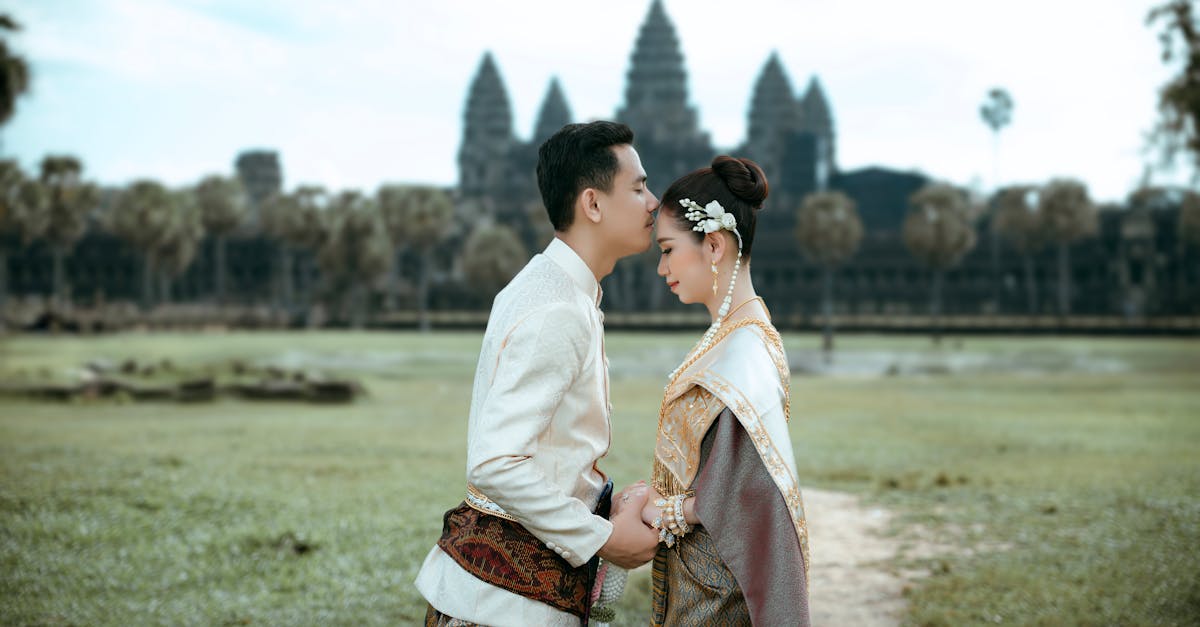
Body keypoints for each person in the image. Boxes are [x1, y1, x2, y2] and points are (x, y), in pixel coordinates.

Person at [415, 121, 662, 627]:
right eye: (637, 188)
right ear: (592, 204)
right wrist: (605, 538)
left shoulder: (552, 289)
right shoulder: (557, 309)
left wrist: (610, 500)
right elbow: (495, 462)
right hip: (505, 609)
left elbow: (551, 447)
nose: (653, 202)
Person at [641, 156, 810, 626]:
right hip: (700, 576)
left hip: (719, 589)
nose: (662, 268)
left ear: (713, 245)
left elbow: (749, 491)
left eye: (669, 249)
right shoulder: (734, 337)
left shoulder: (745, 350)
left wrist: (668, 509)